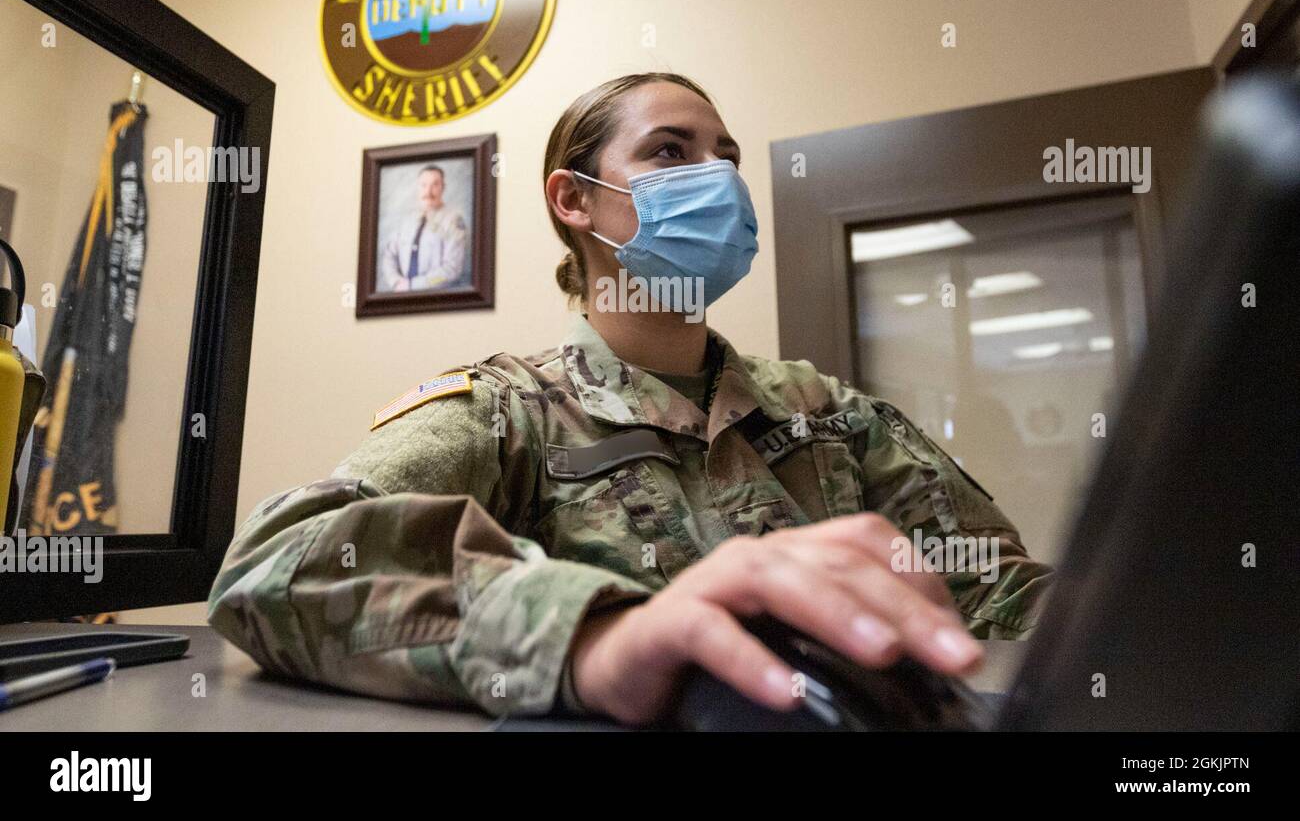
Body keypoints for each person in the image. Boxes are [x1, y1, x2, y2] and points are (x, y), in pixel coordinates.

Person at [208, 73, 1053, 724]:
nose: (717, 175)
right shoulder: (508, 411)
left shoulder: (827, 411)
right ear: (575, 200)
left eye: (726, 155)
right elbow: (273, 567)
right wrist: (593, 635)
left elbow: (994, 591)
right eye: (671, 152)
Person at [379, 164, 467, 291]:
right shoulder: (406, 222)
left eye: (435, 185)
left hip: (438, 301)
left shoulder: (454, 221)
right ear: (418, 188)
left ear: (443, 188)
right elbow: (389, 256)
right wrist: (395, 281)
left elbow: (452, 270)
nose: (428, 191)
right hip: (400, 298)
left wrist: (414, 285)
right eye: (423, 185)